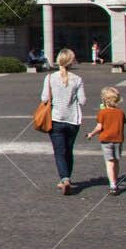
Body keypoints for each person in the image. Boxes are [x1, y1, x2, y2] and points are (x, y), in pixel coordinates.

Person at [40, 48, 86, 195]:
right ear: (71, 62)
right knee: (69, 151)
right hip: (73, 120)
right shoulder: (77, 79)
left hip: (56, 119)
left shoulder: (50, 78)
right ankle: (67, 178)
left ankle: (64, 179)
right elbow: (83, 101)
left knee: (59, 152)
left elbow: (44, 98)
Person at [87, 85, 126, 196]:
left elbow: (99, 127)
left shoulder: (102, 113)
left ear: (104, 100)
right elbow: (123, 123)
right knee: (116, 161)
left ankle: (112, 185)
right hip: (118, 139)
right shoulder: (121, 113)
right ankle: (115, 181)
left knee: (109, 162)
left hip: (106, 140)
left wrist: (91, 134)